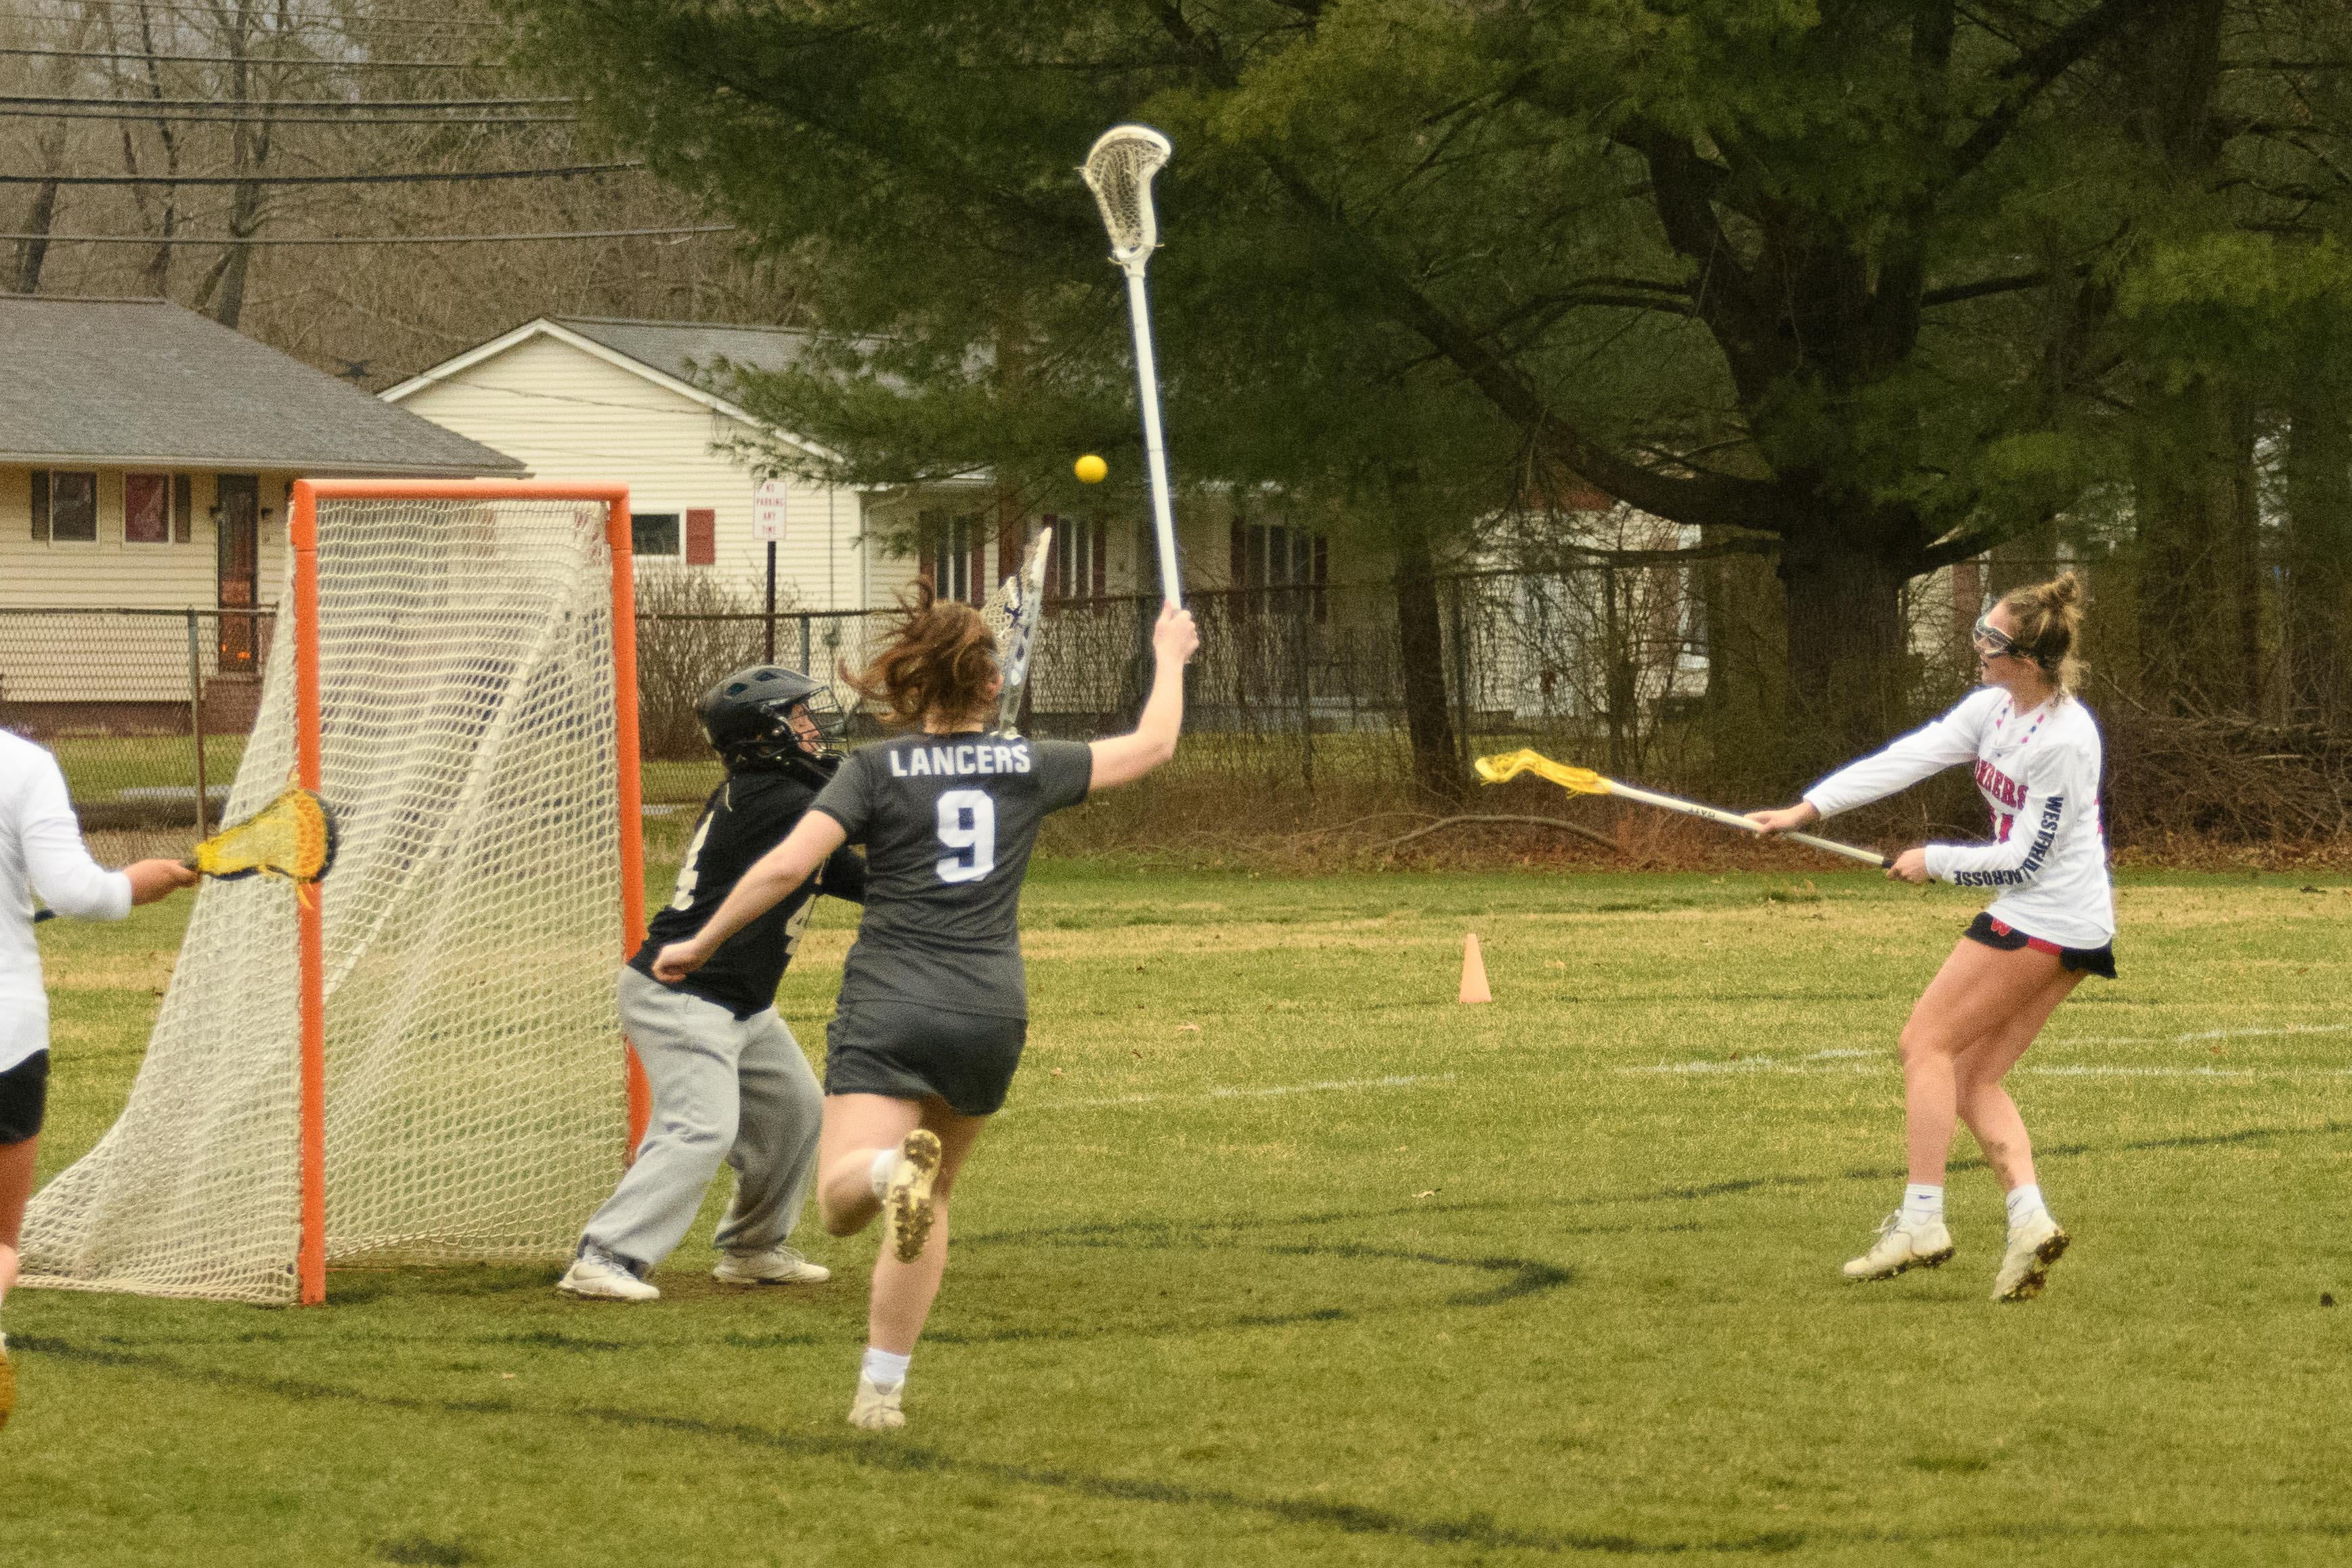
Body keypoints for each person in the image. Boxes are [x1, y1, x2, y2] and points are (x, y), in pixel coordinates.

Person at [653, 584, 1198, 1429]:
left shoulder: (872, 770)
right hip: (989, 1013)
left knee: (843, 1204)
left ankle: (883, 1174)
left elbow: (788, 866)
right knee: (933, 1194)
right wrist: (1169, 656)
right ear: (991, 683)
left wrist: (702, 940)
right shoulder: (1027, 764)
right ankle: (882, 1392)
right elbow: (1155, 744)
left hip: (891, 1003)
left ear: (908, 684)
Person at [1747, 571, 2112, 1303]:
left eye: (1990, 640)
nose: (1977, 647)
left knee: (1924, 1043)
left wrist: (1934, 861)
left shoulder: (2066, 742)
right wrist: (1807, 810)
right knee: (1972, 1077)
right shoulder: (1993, 709)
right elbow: (1907, 758)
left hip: (2048, 916)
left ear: (2029, 660)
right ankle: (2030, 1222)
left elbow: (2025, 860)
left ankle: (1921, 1220)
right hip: (2052, 914)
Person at [557, 666, 869, 1303]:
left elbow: (859, 877)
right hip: (684, 993)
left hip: (741, 1005)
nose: (814, 729)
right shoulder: (773, 799)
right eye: (798, 718)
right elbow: (870, 815)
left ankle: (753, 1250)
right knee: (702, 1126)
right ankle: (605, 1255)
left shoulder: (782, 796)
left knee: (794, 1113)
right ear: (764, 735)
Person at [1, 730, 199, 1427]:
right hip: (7, 1039)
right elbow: (78, 893)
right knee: (1, 1245)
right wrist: (140, 882)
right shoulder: (23, 766)